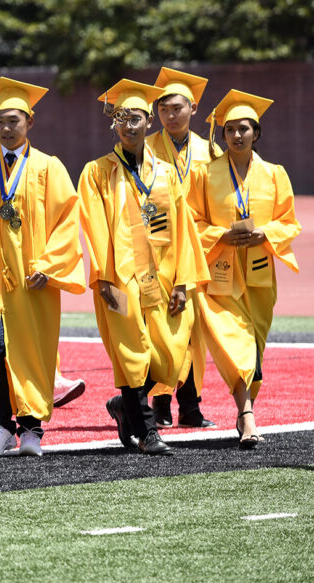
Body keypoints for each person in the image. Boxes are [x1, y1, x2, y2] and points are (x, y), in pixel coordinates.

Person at [77, 80, 209, 456]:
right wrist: (103, 277)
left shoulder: (165, 172)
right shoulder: (97, 172)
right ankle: (147, 431)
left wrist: (183, 281)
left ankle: (124, 406)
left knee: (170, 354)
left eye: (135, 118)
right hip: (120, 278)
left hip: (163, 277)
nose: (128, 125)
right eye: (121, 118)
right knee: (132, 351)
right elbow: (94, 228)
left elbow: (183, 230)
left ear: (148, 121)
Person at [0, 78, 85, 457]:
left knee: (32, 352)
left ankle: (31, 428)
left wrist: (49, 265)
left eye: (13, 120)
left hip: (33, 281)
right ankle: (0, 427)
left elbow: (67, 220)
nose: (6, 128)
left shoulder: (49, 167)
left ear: (30, 121)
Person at [186, 89, 301, 448]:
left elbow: (289, 221)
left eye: (244, 128)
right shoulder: (205, 174)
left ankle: (243, 411)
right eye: (230, 129)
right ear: (222, 134)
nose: (237, 135)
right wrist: (220, 235)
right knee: (234, 344)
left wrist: (266, 233)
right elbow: (191, 220)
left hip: (259, 273)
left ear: (257, 133)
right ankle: (247, 416)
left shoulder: (274, 174)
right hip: (219, 273)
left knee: (254, 346)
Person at [144, 67, 221, 428]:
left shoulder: (210, 151)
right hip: (160, 250)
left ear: (193, 107)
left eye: (177, 108)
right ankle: (161, 403)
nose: (170, 115)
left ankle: (190, 406)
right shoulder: (146, 149)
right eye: (163, 110)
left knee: (193, 332)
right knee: (164, 329)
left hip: (201, 249)